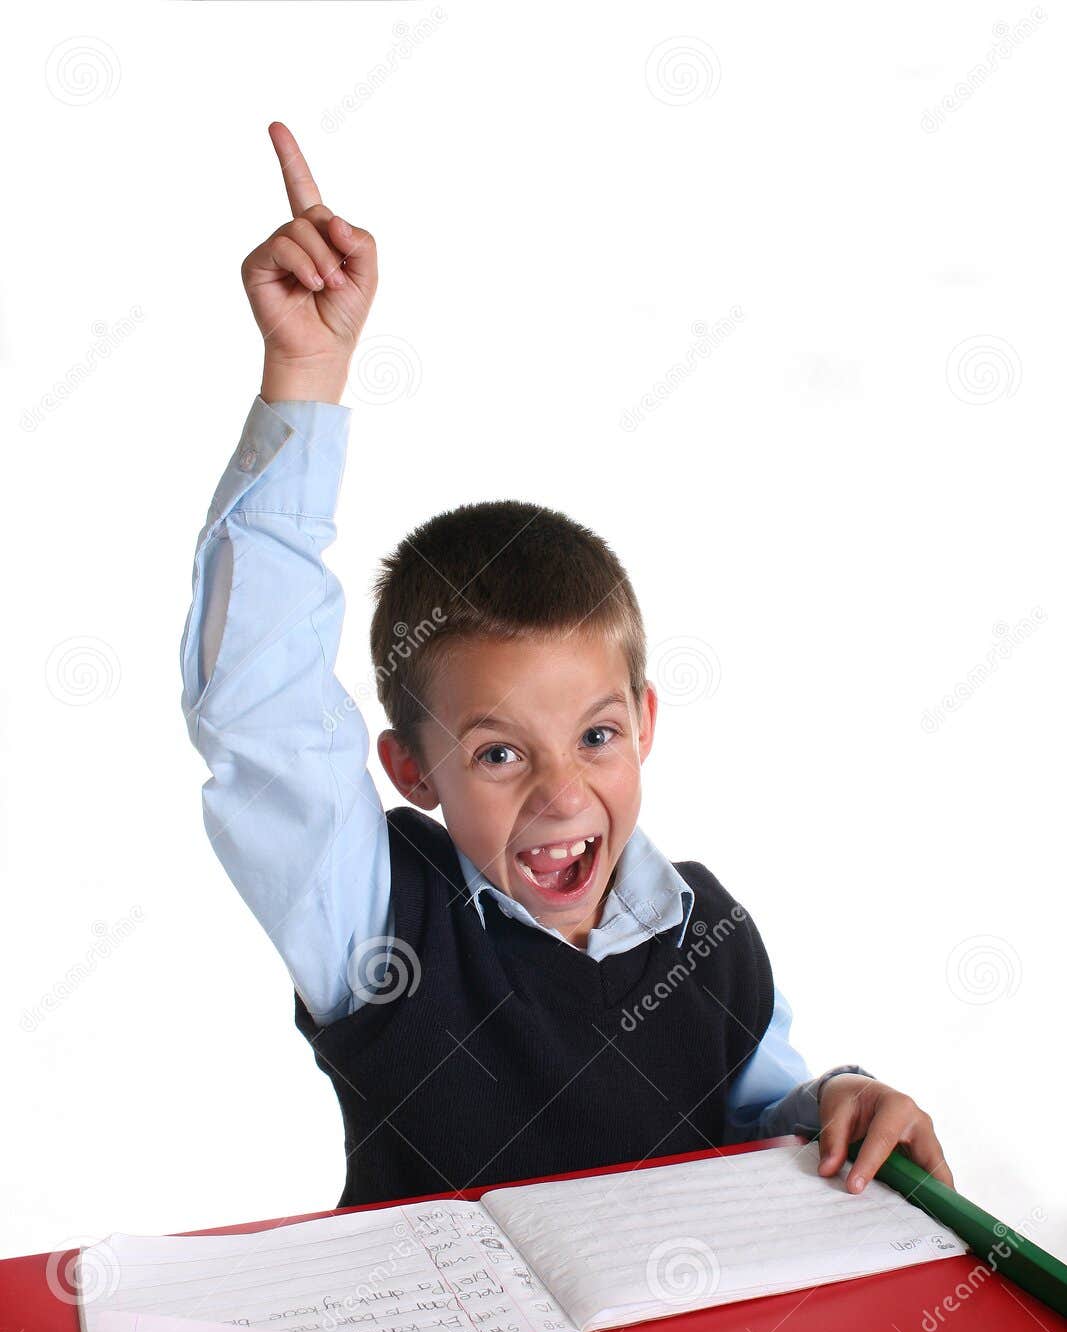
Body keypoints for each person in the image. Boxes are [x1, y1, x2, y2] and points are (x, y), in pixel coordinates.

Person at [180, 122, 954, 1210]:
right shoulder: (373, 925)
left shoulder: (712, 941)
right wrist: (305, 375)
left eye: (594, 736)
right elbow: (257, 705)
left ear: (642, 721)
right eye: (497, 753)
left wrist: (844, 1098)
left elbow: (761, 1119)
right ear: (410, 771)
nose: (560, 793)